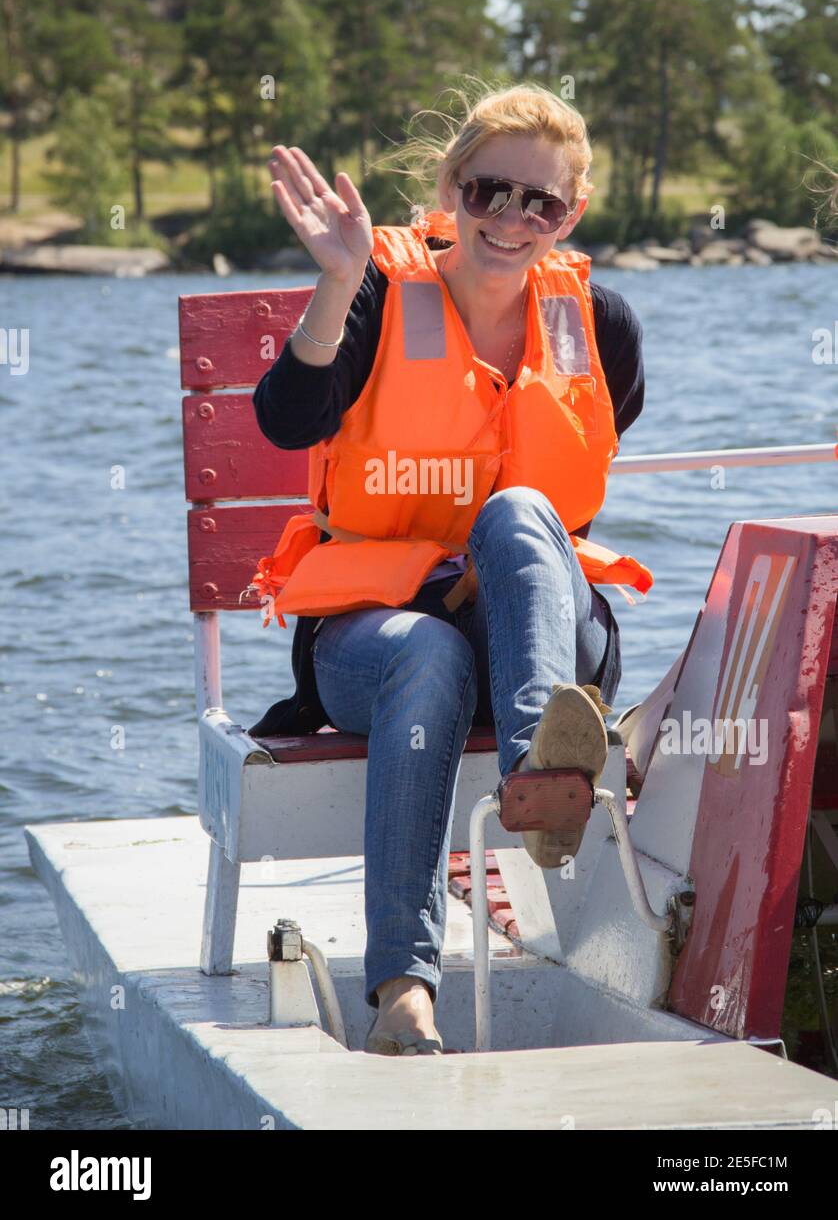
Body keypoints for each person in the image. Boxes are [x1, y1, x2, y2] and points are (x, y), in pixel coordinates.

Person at [248, 81, 651, 1055]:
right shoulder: (379, 295)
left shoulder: (600, 322)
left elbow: (582, 469)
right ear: (451, 187)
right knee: (429, 652)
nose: (511, 220)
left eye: (539, 203)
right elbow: (285, 419)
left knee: (520, 513)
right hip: (379, 633)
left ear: (571, 214)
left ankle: (536, 774)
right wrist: (336, 281)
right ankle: (403, 992)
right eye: (488, 192)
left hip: (539, 638)